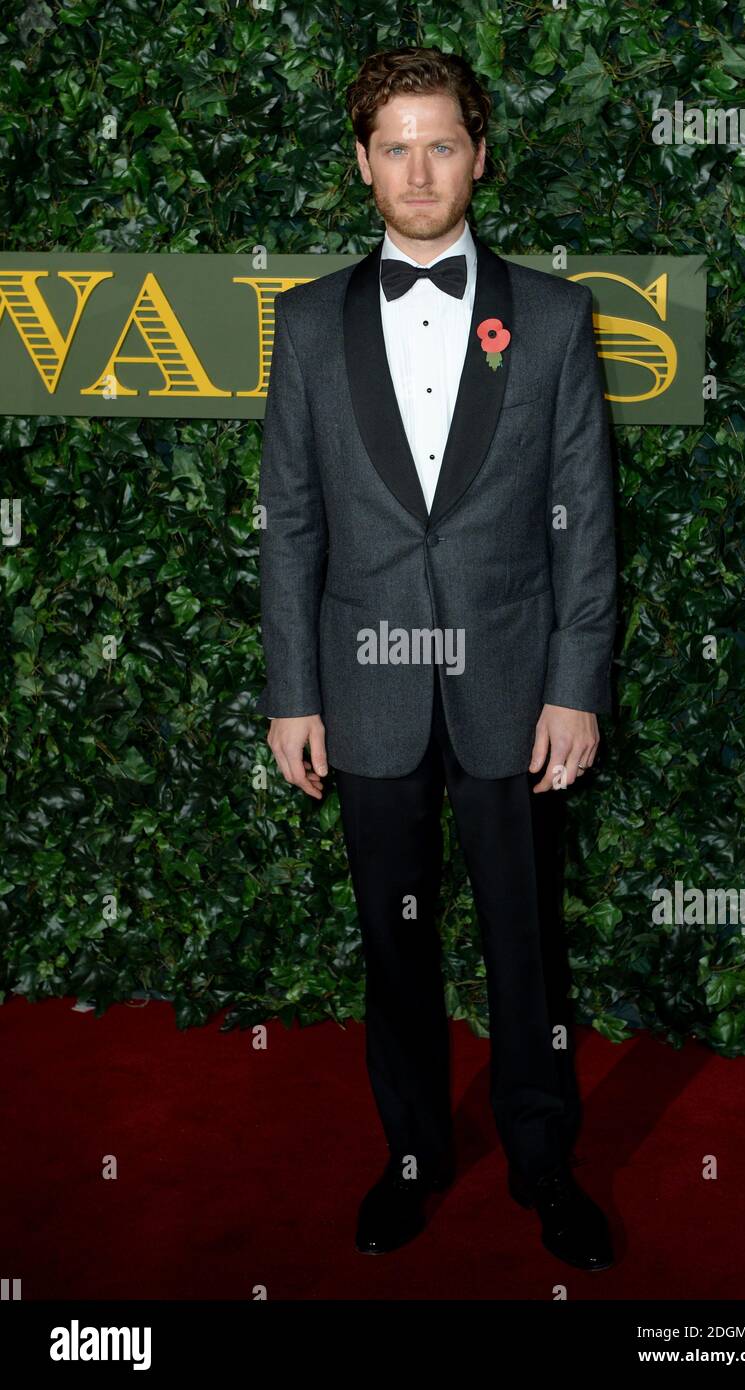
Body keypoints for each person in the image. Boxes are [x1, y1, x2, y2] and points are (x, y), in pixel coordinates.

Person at [255, 45, 618, 1271]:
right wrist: (291, 694)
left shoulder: (556, 316)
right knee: (393, 944)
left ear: (479, 154)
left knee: (526, 946)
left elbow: (587, 513)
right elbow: (292, 521)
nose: (419, 169)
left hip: (515, 690)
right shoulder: (304, 326)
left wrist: (575, 684)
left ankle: (544, 1164)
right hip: (361, 688)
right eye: (395, 146)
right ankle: (411, 1162)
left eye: (442, 142)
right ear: (362, 163)